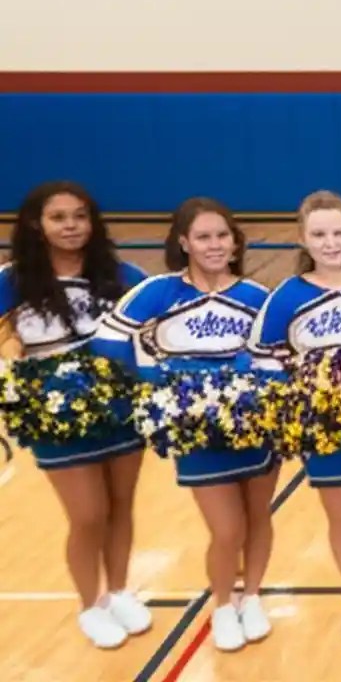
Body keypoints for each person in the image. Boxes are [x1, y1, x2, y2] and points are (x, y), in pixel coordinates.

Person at [95, 197, 275, 652]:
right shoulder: (160, 291)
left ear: (235, 241)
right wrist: (163, 378)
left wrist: (246, 376)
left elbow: (275, 357)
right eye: (204, 237)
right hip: (196, 430)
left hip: (254, 425)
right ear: (184, 242)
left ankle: (251, 597)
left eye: (222, 236)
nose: (215, 245)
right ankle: (221, 605)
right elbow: (108, 341)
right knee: (226, 529)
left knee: (258, 518)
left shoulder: (257, 298)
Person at [0, 181, 150, 649]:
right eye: (59, 217)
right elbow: (6, 338)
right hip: (54, 412)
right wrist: (9, 354)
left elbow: (153, 330)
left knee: (121, 505)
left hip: (120, 407)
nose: (71, 226)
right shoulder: (11, 280)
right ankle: (92, 605)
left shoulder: (122, 274)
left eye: (79, 216)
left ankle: (121, 589)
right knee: (88, 514)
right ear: (34, 225)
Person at [247, 191, 341, 640]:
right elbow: (263, 359)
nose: (331, 243)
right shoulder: (286, 298)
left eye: (338, 232)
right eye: (319, 234)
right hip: (322, 429)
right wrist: (301, 391)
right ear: (302, 239)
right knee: (339, 517)